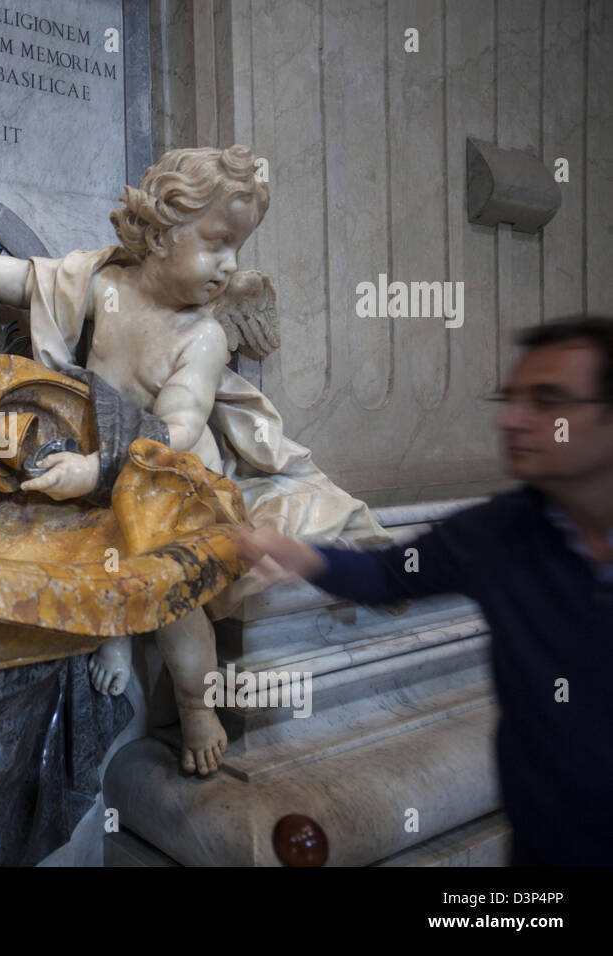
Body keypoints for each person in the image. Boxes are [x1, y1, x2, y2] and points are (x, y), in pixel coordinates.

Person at [0, 146, 388, 776]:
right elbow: (31, 280)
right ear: (163, 232)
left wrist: (99, 471)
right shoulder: (101, 282)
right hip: (95, 452)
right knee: (70, 537)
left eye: (238, 250)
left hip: (167, 479)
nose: (230, 266)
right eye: (219, 242)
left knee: (174, 598)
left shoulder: (203, 335)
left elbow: (177, 427)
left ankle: (197, 704)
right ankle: (112, 632)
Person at [239, 316, 613, 866]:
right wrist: (304, 554)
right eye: (511, 399)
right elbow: (391, 574)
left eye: (547, 400)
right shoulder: (499, 534)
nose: (512, 420)